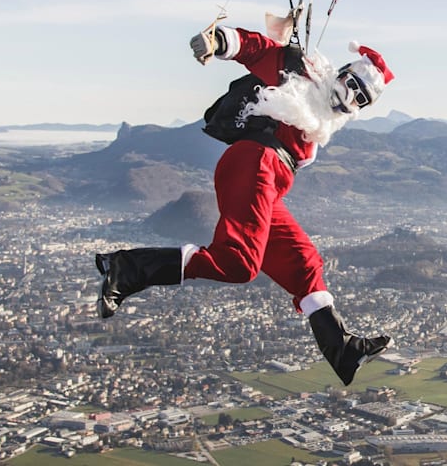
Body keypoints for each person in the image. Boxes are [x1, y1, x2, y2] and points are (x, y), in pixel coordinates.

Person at [93, 20, 394, 385]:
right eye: (352, 85)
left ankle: (341, 348)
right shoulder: (299, 73)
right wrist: (217, 40)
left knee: (303, 262)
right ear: (343, 73)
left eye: (361, 98)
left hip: (269, 180)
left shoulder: (323, 121)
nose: (350, 97)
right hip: (256, 163)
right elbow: (257, 49)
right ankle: (128, 269)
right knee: (239, 263)